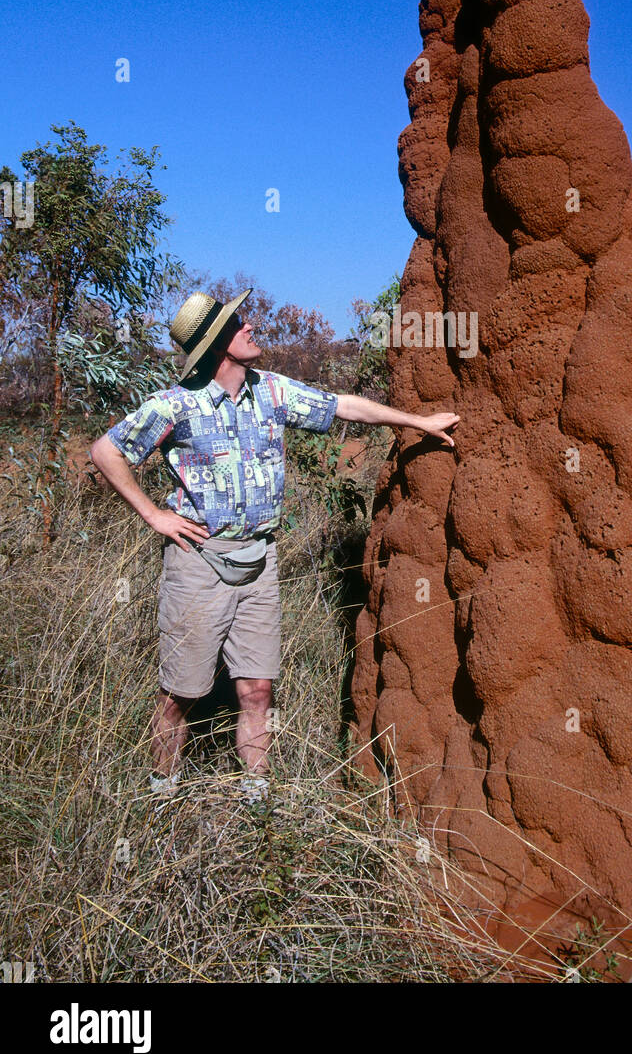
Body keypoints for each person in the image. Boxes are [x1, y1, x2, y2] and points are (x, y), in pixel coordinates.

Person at [89, 285, 459, 804]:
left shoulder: (272, 392)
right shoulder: (176, 405)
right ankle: (162, 794)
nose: (249, 325)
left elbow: (343, 406)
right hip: (198, 563)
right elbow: (106, 450)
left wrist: (417, 422)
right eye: (236, 324)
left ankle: (256, 799)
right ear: (217, 345)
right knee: (180, 694)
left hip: (260, 560)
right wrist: (154, 515)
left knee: (258, 690)